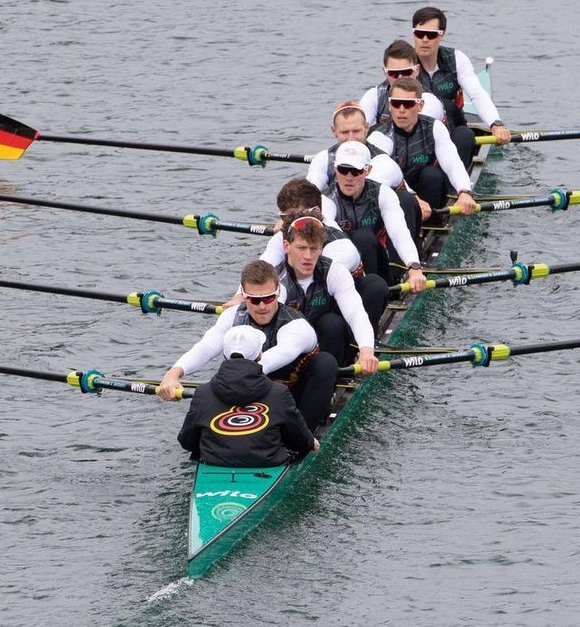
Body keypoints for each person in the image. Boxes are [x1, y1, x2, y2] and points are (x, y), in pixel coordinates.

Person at [157, 260, 338, 429]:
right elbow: (206, 347)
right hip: (251, 389)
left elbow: (277, 356)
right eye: (254, 299)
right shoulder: (232, 316)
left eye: (268, 298)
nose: (262, 306)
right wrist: (173, 374)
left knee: (326, 363)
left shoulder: (296, 326)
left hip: (295, 396)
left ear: (277, 292)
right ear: (243, 295)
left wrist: (222, 384)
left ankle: (305, 435)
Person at [177, 326, 316, 467]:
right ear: (260, 355)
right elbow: (301, 441)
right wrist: (310, 442)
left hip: (215, 464)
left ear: (225, 355)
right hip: (268, 463)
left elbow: (186, 441)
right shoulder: (279, 393)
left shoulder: (203, 393)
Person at [275, 213, 385, 373]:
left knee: (332, 323)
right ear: (286, 246)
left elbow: (356, 313)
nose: (308, 256)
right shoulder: (276, 281)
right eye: (301, 248)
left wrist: (367, 350)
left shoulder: (334, 271)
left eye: (314, 249)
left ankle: (337, 374)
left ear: (322, 248)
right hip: (288, 345)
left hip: (327, 343)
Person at [319, 141, 427, 294]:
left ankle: (383, 287)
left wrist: (414, 267)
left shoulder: (382, 193)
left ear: (368, 170)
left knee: (364, 237)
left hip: (376, 264)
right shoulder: (326, 200)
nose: (349, 177)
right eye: (343, 170)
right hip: (341, 269)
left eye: (356, 171)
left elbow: (399, 232)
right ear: (335, 168)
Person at [409, 6, 510, 165]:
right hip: (416, 133)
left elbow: (476, 94)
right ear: (413, 33)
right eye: (420, 34)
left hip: (453, 128)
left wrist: (495, 124)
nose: (425, 39)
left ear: (442, 35)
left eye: (432, 35)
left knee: (450, 110)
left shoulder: (456, 59)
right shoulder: (404, 63)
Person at [368, 77, 480, 217]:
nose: (401, 110)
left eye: (408, 104)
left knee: (431, 175)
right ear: (389, 106)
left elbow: (452, 162)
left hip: (428, 191)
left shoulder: (434, 127)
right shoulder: (379, 137)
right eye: (396, 103)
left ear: (420, 105)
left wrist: (464, 191)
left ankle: (433, 220)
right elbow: (386, 178)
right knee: (405, 198)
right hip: (398, 197)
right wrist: (414, 198)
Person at [307, 102, 427, 231]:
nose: (351, 138)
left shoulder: (381, 160)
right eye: (345, 132)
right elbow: (307, 195)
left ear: (366, 128)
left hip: (372, 225)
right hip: (339, 220)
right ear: (334, 131)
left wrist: (415, 198)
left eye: (356, 131)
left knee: (406, 200)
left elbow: (402, 189)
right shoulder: (323, 159)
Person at [358, 40, 446, 129]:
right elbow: (358, 127)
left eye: (406, 72)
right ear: (385, 73)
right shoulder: (374, 95)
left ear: (417, 70)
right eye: (393, 73)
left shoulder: (429, 100)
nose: (400, 78)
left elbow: (415, 130)